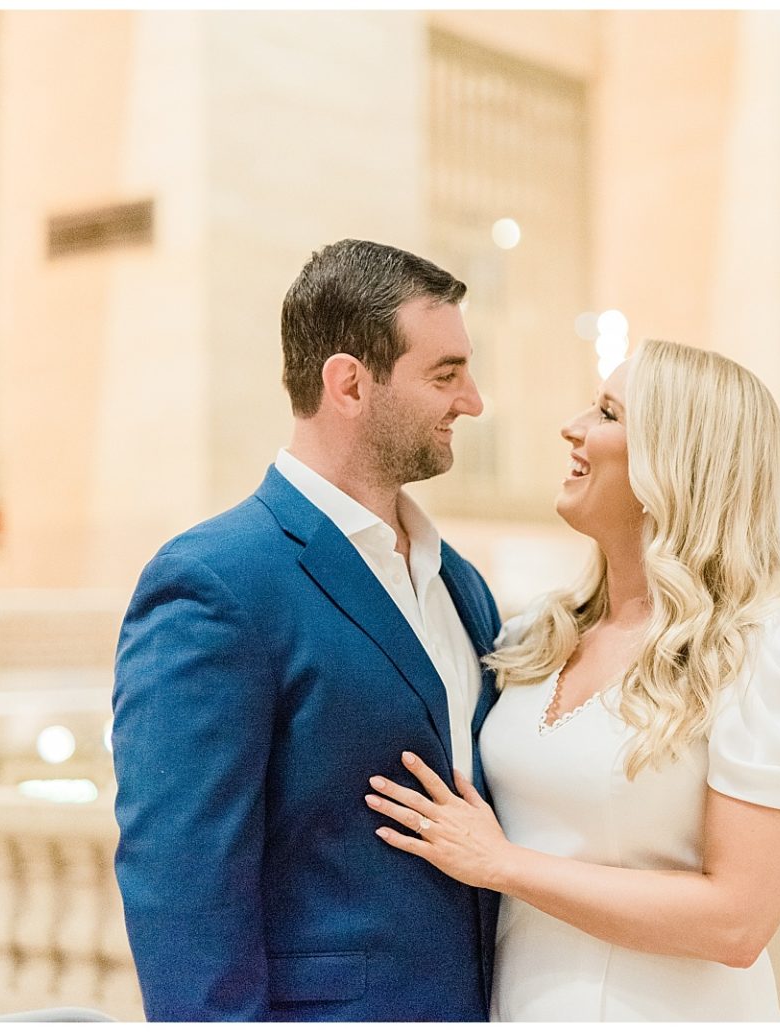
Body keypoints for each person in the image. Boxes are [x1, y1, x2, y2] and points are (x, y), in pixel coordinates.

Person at [366, 339, 780, 1020]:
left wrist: (501, 864)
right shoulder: (537, 633)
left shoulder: (776, 650)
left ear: (677, 461)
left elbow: (738, 922)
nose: (573, 427)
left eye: (607, 413)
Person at [111, 240, 502, 1021]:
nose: (473, 401)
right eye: (446, 374)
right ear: (350, 383)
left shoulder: (461, 581)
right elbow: (182, 885)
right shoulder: (215, 581)